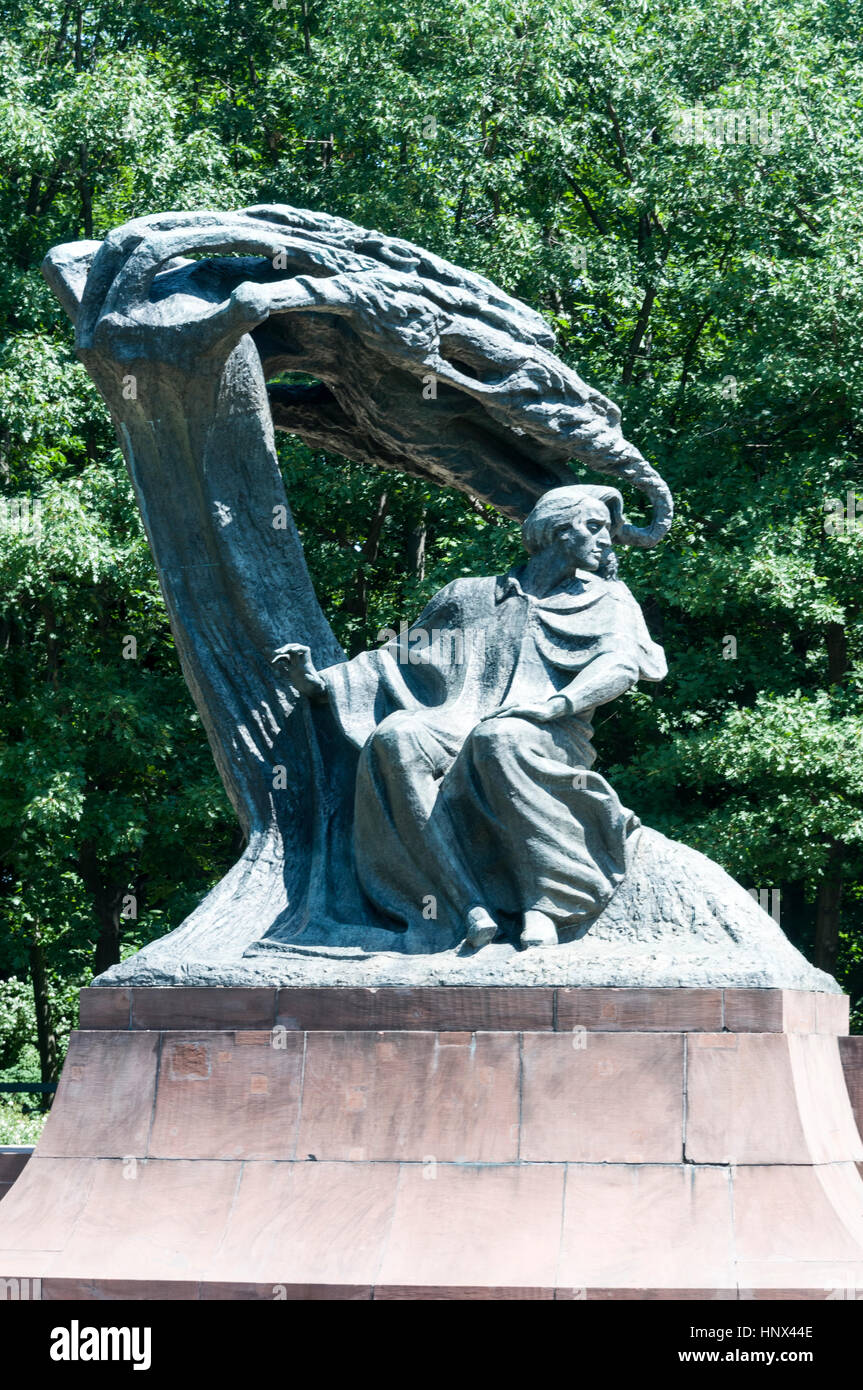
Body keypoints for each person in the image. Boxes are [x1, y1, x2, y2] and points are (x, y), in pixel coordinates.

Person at [273, 484, 666, 949]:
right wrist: (316, 684)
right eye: (596, 527)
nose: (607, 540)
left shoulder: (609, 598)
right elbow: (396, 658)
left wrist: (554, 705)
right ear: (558, 530)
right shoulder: (468, 596)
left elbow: (618, 665)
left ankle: (545, 904)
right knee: (398, 736)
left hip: (549, 729)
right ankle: (464, 906)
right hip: (458, 719)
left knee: (499, 738)